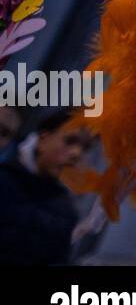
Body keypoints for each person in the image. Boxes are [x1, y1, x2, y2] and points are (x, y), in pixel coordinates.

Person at [0, 109, 94, 265]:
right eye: (70, 141)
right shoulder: (4, 180)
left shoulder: (65, 212)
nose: (76, 153)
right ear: (44, 138)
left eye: (85, 148)